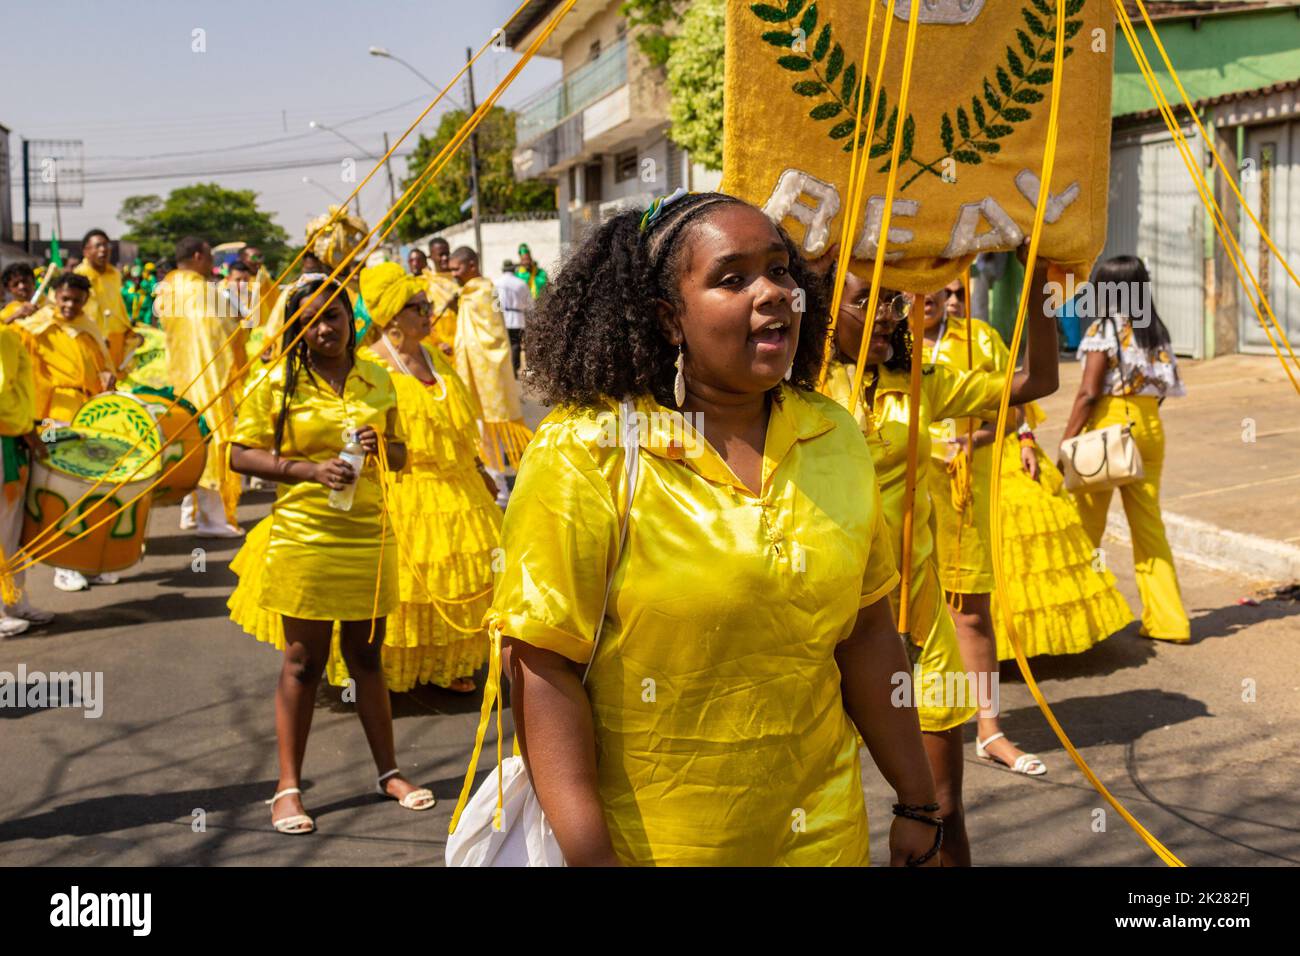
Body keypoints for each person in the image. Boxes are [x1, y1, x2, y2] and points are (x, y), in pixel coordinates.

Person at [469, 191, 942, 867]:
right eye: (733, 278)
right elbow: (542, 667)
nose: (773, 293)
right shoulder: (588, 451)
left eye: (781, 270)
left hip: (823, 838)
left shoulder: (832, 433)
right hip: (651, 848)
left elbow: (867, 632)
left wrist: (918, 802)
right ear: (668, 318)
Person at [824, 249, 1059, 863]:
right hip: (822, 626)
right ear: (822, 307)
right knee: (817, 815)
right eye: (866, 303)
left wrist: (1036, 290)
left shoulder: (922, 380)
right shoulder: (795, 390)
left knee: (939, 812)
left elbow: (1037, 383)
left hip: (916, 623)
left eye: (895, 302)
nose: (887, 317)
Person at [227, 276, 432, 834]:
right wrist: (307, 470)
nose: (324, 329)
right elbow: (239, 456)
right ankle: (287, 789)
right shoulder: (275, 383)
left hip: (370, 535)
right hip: (305, 536)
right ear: (295, 327)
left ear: (350, 317)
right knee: (304, 663)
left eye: (334, 316)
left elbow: (401, 456)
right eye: (311, 320)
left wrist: (380, 447)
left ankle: (390, 773)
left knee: (367, 660)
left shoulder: (378, 379)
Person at [351, 261, 502, 692]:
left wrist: (479, 468)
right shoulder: (369, 367)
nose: (427, 313)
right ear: (393, 315)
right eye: (418, 306)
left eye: (426, 305)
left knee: (468, 574)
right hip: (403, 492)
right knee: (411, 588)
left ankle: (448, 665)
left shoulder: (434, 355)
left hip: (459, 486)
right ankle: (395, 673)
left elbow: (457, 425)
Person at [920, 279, 1045, 777]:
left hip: (962, 496)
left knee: (970, 614)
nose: (930, 293)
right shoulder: (875, 342)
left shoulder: (979, 340)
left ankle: (989, 730)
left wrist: (976, 439)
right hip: (893, 496)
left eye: (943, 283)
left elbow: (1015, 411)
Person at [1061, 254, 1190, 643]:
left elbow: (1087, 393)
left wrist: (1067, 442)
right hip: (1150, 428)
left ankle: (1076, 622)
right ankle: (1170, 623)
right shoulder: (1155, 330)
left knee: (1084, 527)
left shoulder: (1105, 329)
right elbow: (1165, 387)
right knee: (1149, 529)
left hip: (1108, 427)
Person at [991, 403, 1132, 660]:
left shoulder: (1002, 362)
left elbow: (1017, 397)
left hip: (1006, 448)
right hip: (956, 453)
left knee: (1030, 532)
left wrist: (1026, 442)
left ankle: (1021, 641)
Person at [16, 273, 120, 592]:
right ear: (54, 296)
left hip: (88, 415)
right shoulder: (34, 325)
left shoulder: (88, 327)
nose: (69, 305)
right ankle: (62, 566)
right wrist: (11, 313)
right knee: (61, 491)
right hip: (52, 417)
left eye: (76, 299)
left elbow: (104, 365)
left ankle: (85, 562)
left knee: (90, 491)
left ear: (85, 300)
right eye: (64, 299)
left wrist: (108, 377)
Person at [156, 237, 245, 537]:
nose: (212, 264)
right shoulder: (203, 292)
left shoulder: (166, 289)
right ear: (197, 257)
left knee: (187, 443)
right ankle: (213, 521)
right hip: (207, 380)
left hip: (176, 379)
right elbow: (230, 332)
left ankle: (190, 513)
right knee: (214, 443)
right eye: (209, 257)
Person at [447, 246, 530, 503]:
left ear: (472, 265)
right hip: (470, 370)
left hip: (488, 370)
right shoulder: (465, 294)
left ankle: (513, 481)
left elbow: (491, 334)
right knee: (483, 431)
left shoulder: (482, 291)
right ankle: (496, 484)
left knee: (496, 430)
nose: (453, 275)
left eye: (456, 269)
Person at [0, 307, 54, 635]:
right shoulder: (4, 336)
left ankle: (15, 601)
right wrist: (29, 434)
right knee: (5, 531)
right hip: (6, 438)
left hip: (11, 438)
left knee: (12, 533)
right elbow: (3, 395)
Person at [75, 229, 137, 372]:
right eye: (97, 246)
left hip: (116, 338)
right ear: (86, 251)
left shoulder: (114, 274)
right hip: (92, 340)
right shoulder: (79, 275)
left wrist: (128, 329)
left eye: (106, 245)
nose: (103, 250)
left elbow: (118, 304)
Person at [422, 237, 458, 356]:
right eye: (440, 254)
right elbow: (423, 319)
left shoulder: (459, 279)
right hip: (439, 350)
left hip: (461, 345)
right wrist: (437, 344)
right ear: (430, 257)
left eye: (447, 254)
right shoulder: (425, 283)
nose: (445, 258)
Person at [494, 259, 531, 374]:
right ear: (513, 269)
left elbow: (495, 305)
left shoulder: (496, 283)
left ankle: (507, 369)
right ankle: (514, 369)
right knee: (515, 344)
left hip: (502, 318)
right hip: (517, 318)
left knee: (504, 345)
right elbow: (529, 304)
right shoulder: (521, 283)